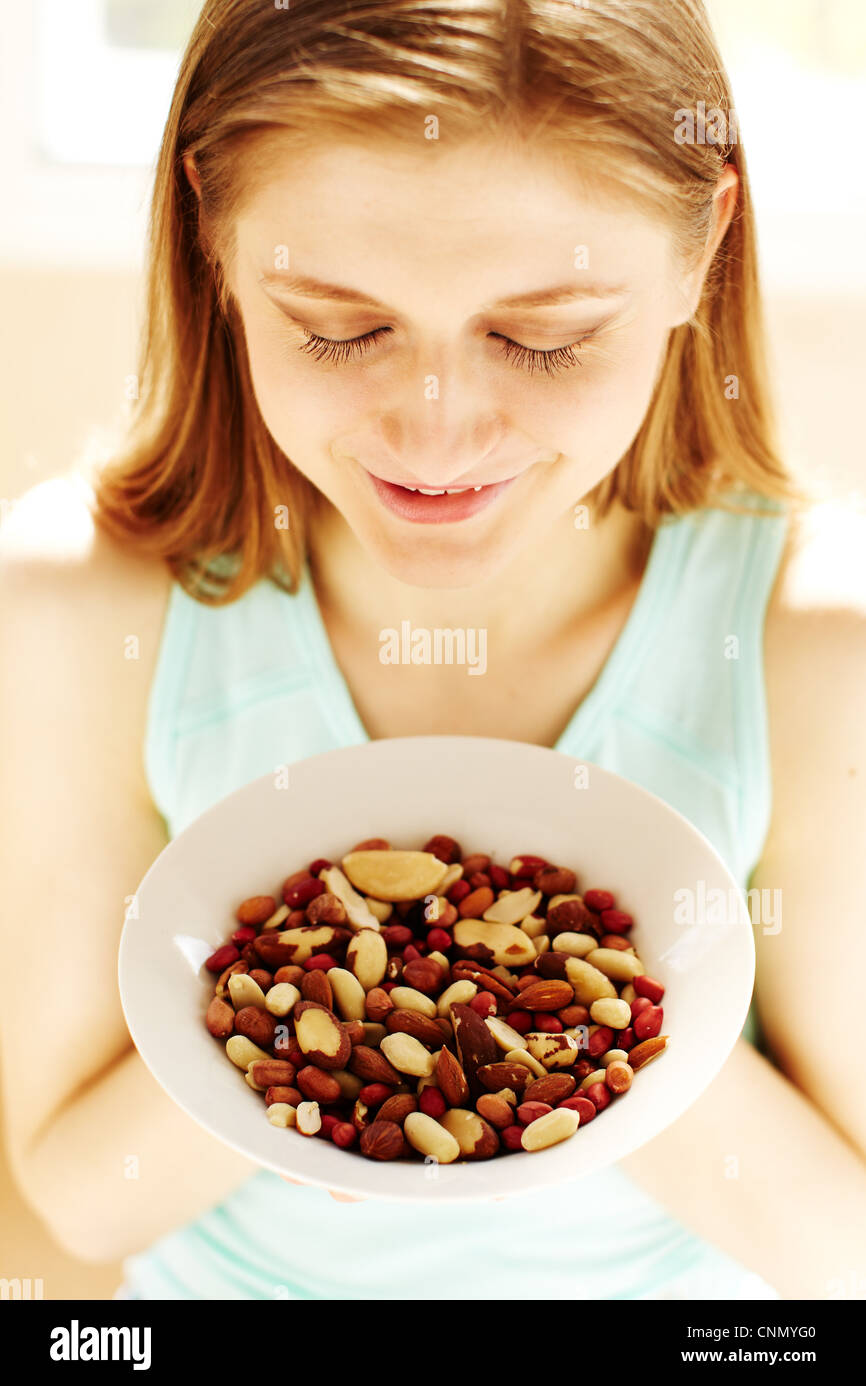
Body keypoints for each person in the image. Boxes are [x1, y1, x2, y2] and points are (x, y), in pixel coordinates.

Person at [2, 0, 865, 1302]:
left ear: (701, 253)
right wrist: (351, 1014)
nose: (437, 434)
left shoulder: (811, 638)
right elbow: (70, 1194)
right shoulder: (78, 605)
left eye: (545, 335)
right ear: (213, 237)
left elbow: (839, 1243)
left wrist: (533, 1000)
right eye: (337, 326)